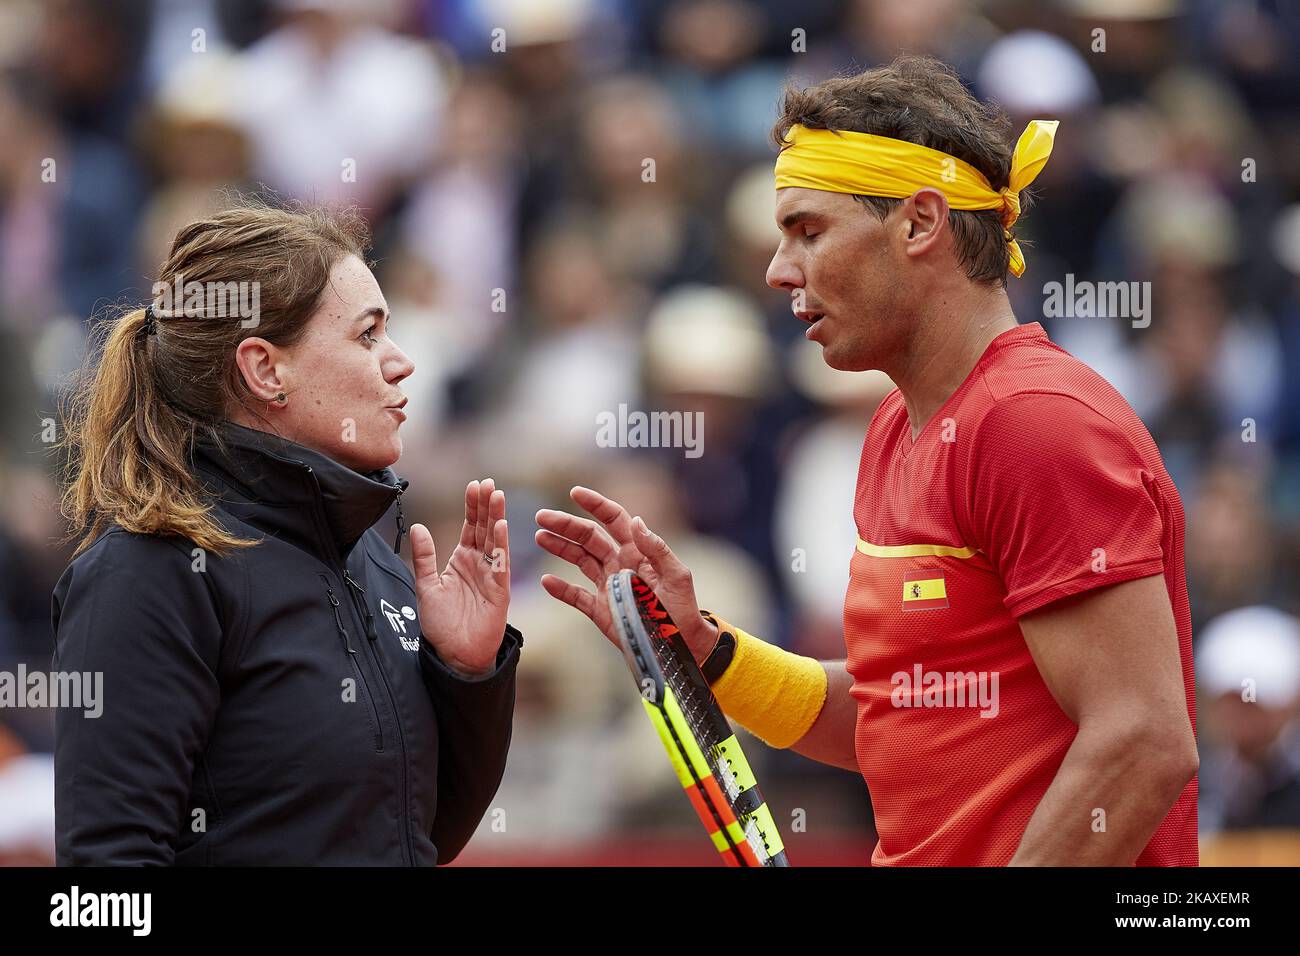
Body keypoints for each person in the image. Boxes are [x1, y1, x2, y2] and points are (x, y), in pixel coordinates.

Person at [536, 55, 1198, 866]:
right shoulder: (895, 425)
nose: (780, 270)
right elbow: (908, 713)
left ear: (919, 224)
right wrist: (708, 649)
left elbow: (1144, 741)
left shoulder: (1035, 424)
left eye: (808, 231)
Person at [52, 202, 521, 865]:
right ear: (266, 369)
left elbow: (428, 836)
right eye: (368, 335)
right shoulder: (148, 573)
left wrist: (467, 675)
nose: (402, 363)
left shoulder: (378, 565)